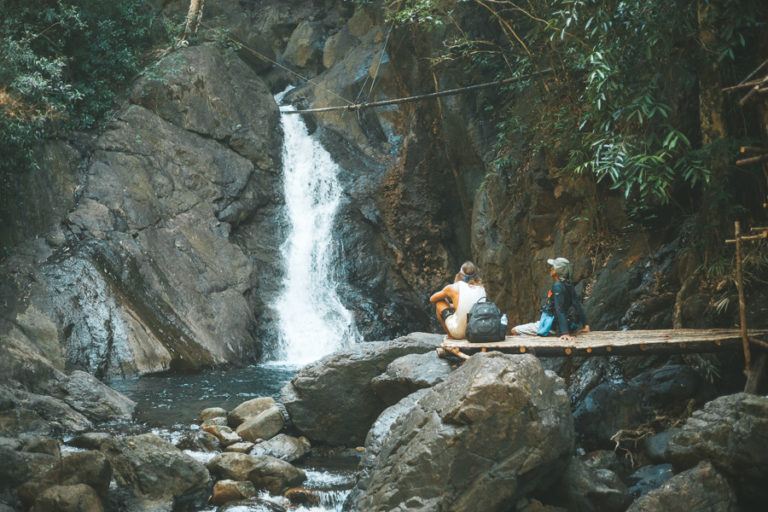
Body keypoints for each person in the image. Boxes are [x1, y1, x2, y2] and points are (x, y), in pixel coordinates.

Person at [511, 257, 589, 341]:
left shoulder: (557, 286)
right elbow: (577, 304)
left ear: (556, 271)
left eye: (553, 267)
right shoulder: (569, 285)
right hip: (567, 325)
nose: (550, 269)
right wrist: (586, 325)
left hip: (551, 326)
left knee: (514, 330)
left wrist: (565, 333)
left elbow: (560, 309)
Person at [430, 261, 487, 339]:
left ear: (459, 274)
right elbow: (470, 307)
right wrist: (452, 305)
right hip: (476, 330)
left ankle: (450, 336)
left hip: (460, 333)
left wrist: (447, 299)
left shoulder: (453, 288)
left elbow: (432, 299)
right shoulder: (481, 288)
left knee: (439, 302)